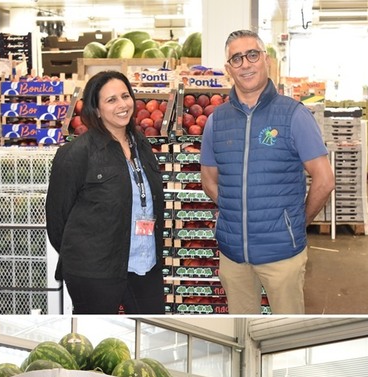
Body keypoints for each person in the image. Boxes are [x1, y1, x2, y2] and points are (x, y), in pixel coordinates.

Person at [200, 29, 335, 315]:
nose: (245, 64)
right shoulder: (216, 121)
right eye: (236, 59)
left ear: (266, 60)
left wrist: (296, 222)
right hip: (233, 256)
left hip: (282, 255)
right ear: (228, 69)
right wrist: (235, 211)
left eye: (252, 55)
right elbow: (209, 180)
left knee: (288, 328)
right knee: (241, 326)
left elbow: (324, 180)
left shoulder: (294, 115)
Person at [46, 70, 167, 314]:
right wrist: (87, 255)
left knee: (152, 322)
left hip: (144, 263)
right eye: (111, 100)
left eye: (125, 96)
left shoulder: (141, 144)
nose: (122, 105)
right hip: (95, 272)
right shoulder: (76, 153)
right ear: (97, 110)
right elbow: (58, 220)